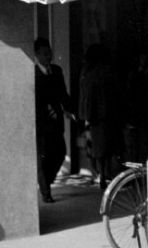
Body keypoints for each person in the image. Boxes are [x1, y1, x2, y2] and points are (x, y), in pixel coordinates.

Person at [33, 37, 73, 203]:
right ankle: (45, 192)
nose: (48, 57)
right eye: (45, 54)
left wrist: (69, 110)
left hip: (57, 123)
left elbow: (63, 93)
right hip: (42, 125)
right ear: (37, 55)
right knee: (43, 159)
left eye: (50, 53)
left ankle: (46, 182)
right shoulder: (32, 73)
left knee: (60, 153)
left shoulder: (57, 71)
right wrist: (45, 111)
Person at [75, 43, 117, 187]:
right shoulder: (105, 72)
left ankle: (97, 173)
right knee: (104, 146)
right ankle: (103, 174)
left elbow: (85, 97)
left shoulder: (87, 73)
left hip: (91, 115)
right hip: (104, 115)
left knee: (93, 146)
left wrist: (85, 116)